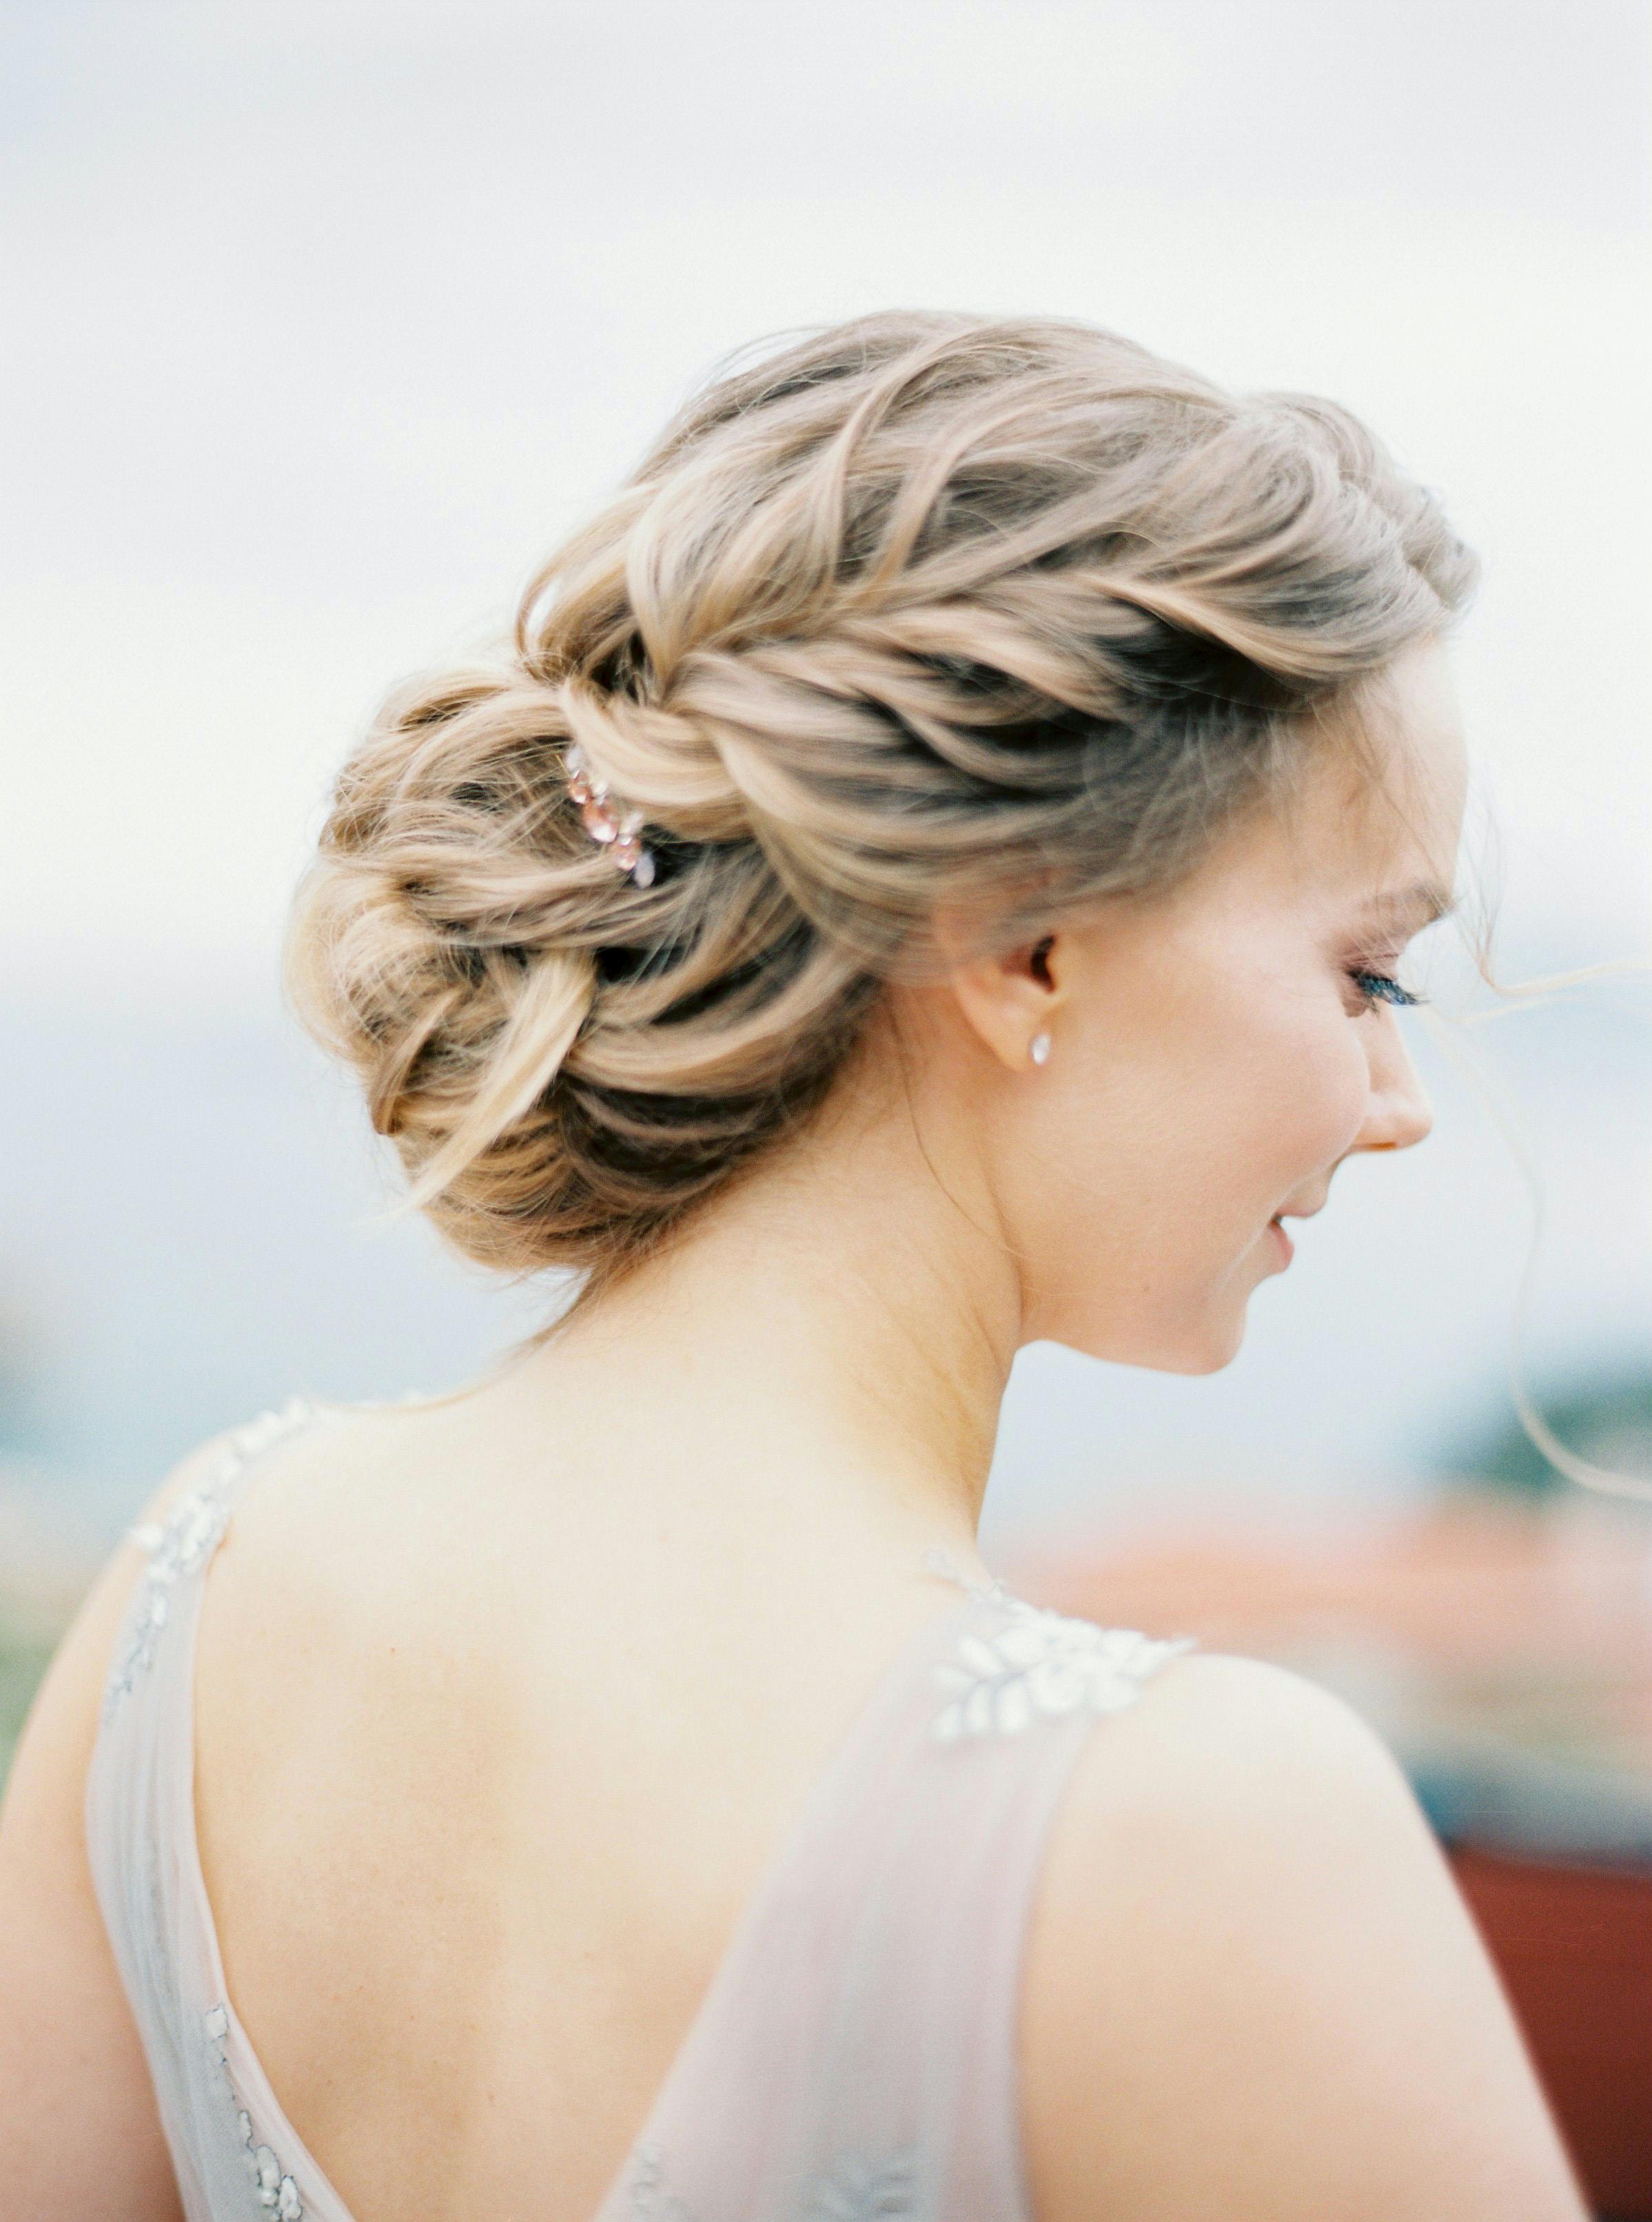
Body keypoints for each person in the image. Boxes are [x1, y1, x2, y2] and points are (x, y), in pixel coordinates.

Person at [0, 312, 1590, 2221]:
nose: (1396, 1098)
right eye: (1369, 972)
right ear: (1024, 943)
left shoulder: (197, 1587)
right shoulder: (1185, 1834)